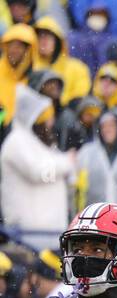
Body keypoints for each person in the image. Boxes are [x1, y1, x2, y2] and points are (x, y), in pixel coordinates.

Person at [0, 84, 74, 241]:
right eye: (46, 118)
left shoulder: (37, 142)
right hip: (28, 237)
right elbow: (41, 173)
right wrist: (67, 163)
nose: (50, 122)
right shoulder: (17, 142)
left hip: (48, 236)